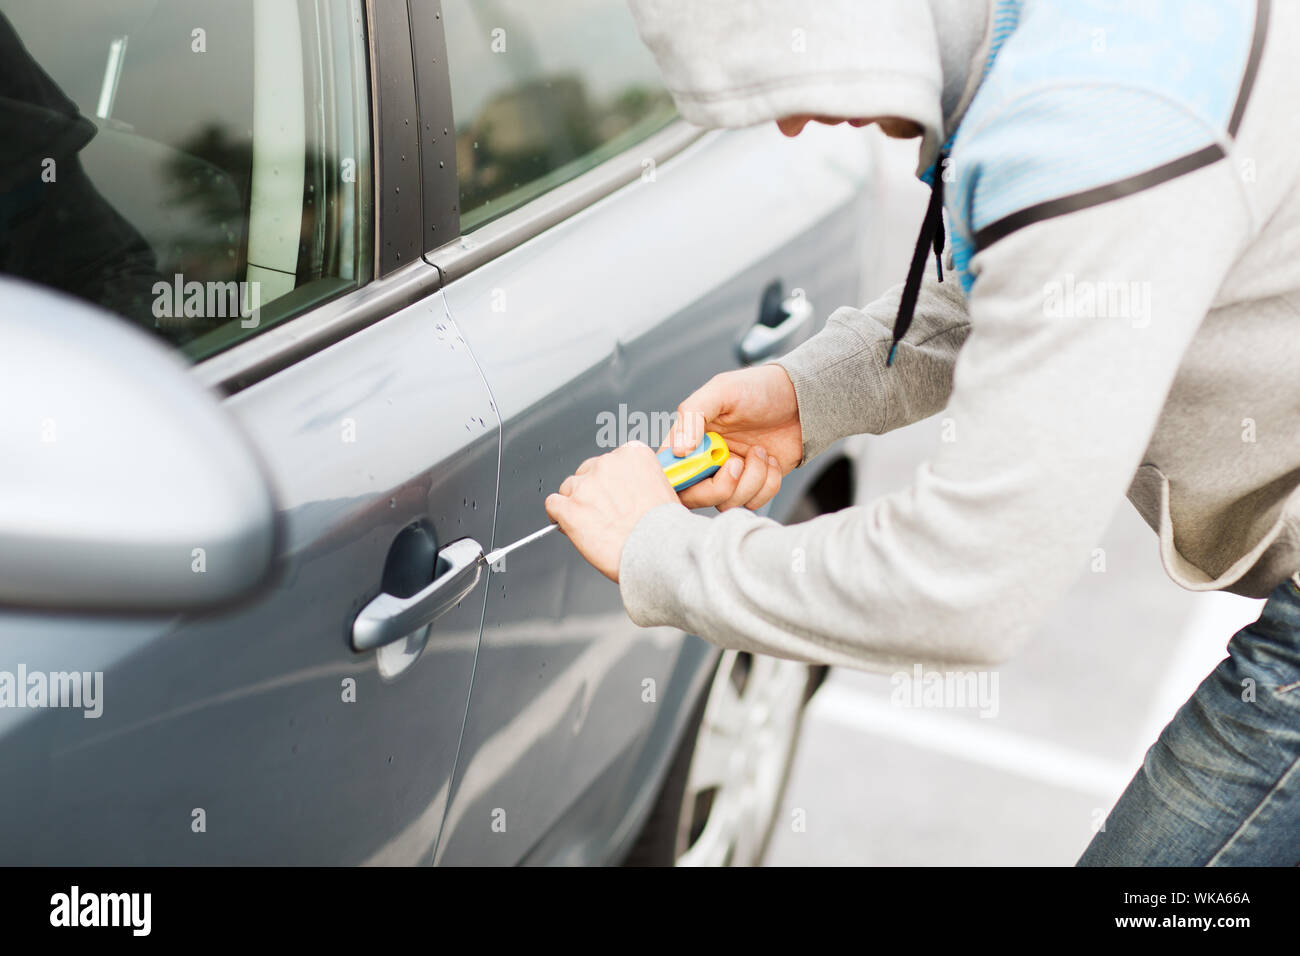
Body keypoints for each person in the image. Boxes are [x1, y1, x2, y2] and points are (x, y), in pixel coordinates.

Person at [544, 0, 1300, 865]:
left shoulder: (1095, 127)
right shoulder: (1048, 41)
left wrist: (661, 553)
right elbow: (1032, 284)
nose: (791, 124)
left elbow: (963, 582)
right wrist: (810, 394)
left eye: (779, 77)